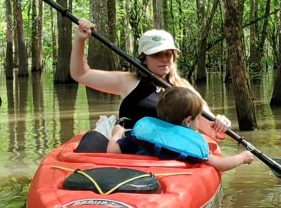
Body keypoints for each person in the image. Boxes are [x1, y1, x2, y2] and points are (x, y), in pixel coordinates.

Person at [72, 18, 231, 151]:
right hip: (125, 144)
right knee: (90, 141)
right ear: (143, 59)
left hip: (160, 149)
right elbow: (80, 74)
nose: (163, 58)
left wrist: (221, 123)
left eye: (168, 53)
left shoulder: (185, 91)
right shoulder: (128, 81)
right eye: (156, 54)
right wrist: (80, 39)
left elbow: (211, 131)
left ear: (173, 56)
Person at [109, 86, 254, 173]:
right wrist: (242, 158)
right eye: (198, 118)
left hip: (140, 173)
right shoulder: (191, 145)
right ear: (188, 121)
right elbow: (221, 165)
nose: (198, 122)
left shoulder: (142, 135)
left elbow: (112, 151)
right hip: (172, 177)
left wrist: (116, 133)